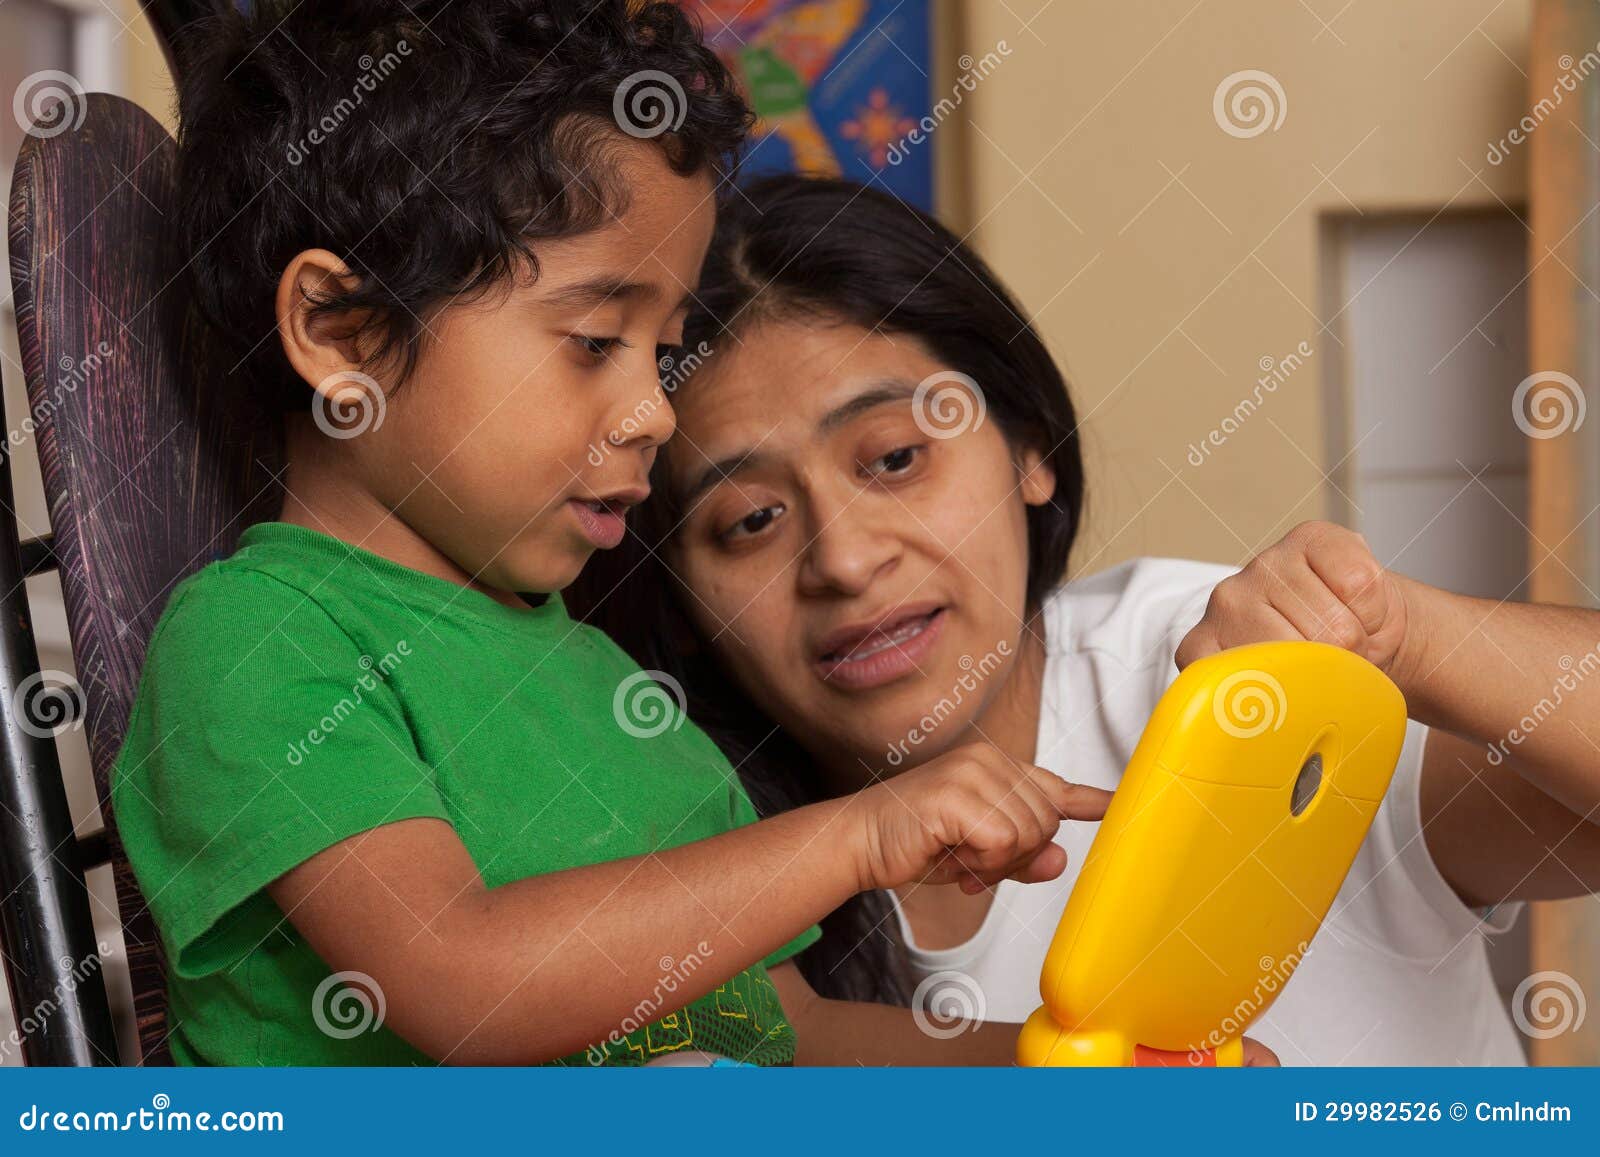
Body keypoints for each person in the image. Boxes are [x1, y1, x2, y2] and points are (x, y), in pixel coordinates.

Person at [112, 1, 1180, 1067]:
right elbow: (458, 981)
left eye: (661, 349)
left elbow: (790, 1038)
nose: (655, 413)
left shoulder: (610, 689)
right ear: (342, 332)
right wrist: (858, 835)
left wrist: (1066, 1072)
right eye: (592, 342)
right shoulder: (262, 643)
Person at [573, 174, 1600, 1064]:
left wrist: (1401, 635)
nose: (843, 559)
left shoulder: (1228, 679)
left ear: (1030, 449)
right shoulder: (666, 846)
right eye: (749, 519)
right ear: (681, 598)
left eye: (895, 457)